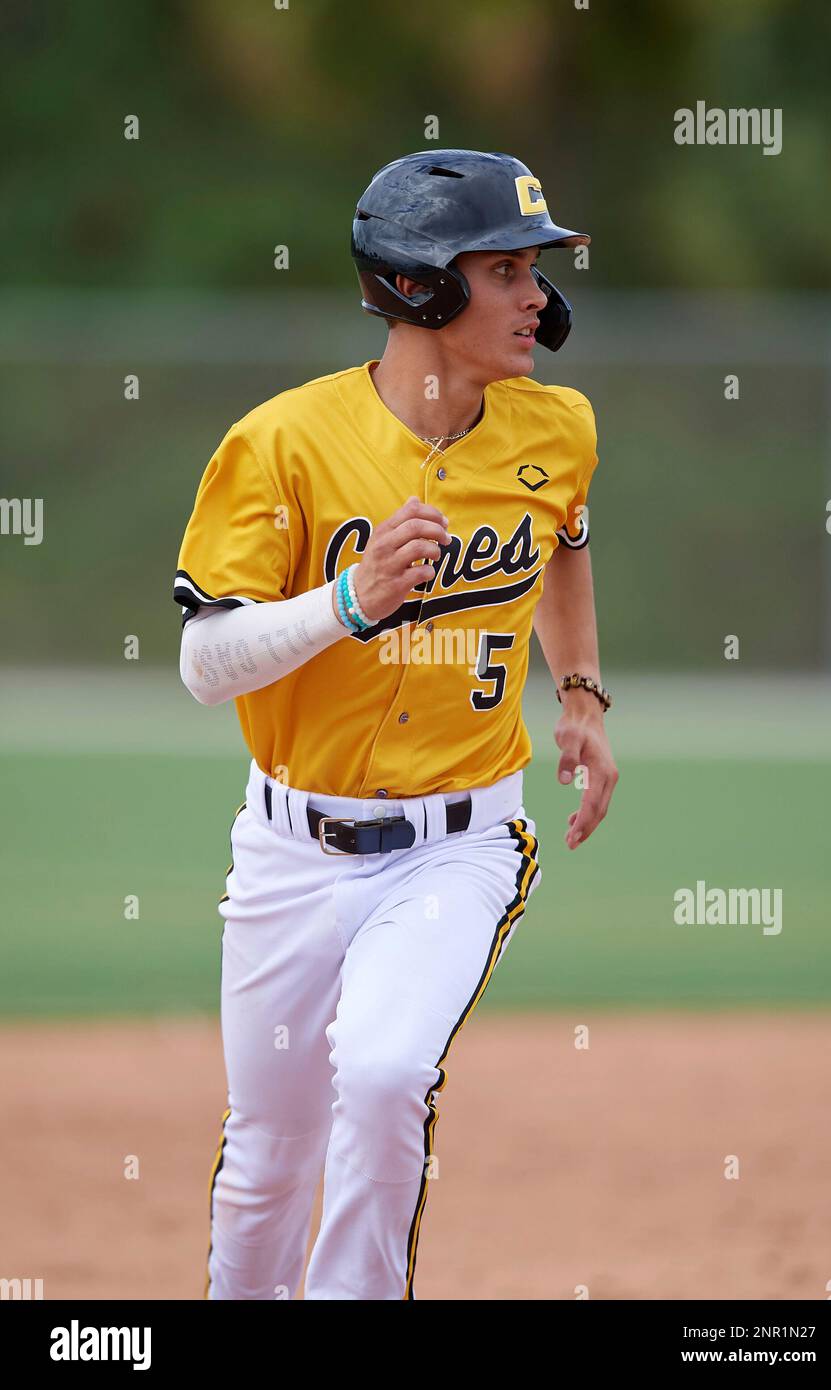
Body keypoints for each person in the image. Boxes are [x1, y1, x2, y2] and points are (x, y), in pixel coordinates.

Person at [174, 148, 618, 1301]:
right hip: (286, 849)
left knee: (379, 1073)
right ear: (420, 286)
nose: (536, 297)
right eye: (508, 269)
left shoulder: (553, 429)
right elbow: (201, 664)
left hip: (456, 843)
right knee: (268, 1153)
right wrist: (348, 602)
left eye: (537, 272)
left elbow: (563, 542)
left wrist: (579, 694)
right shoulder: (282, 442)